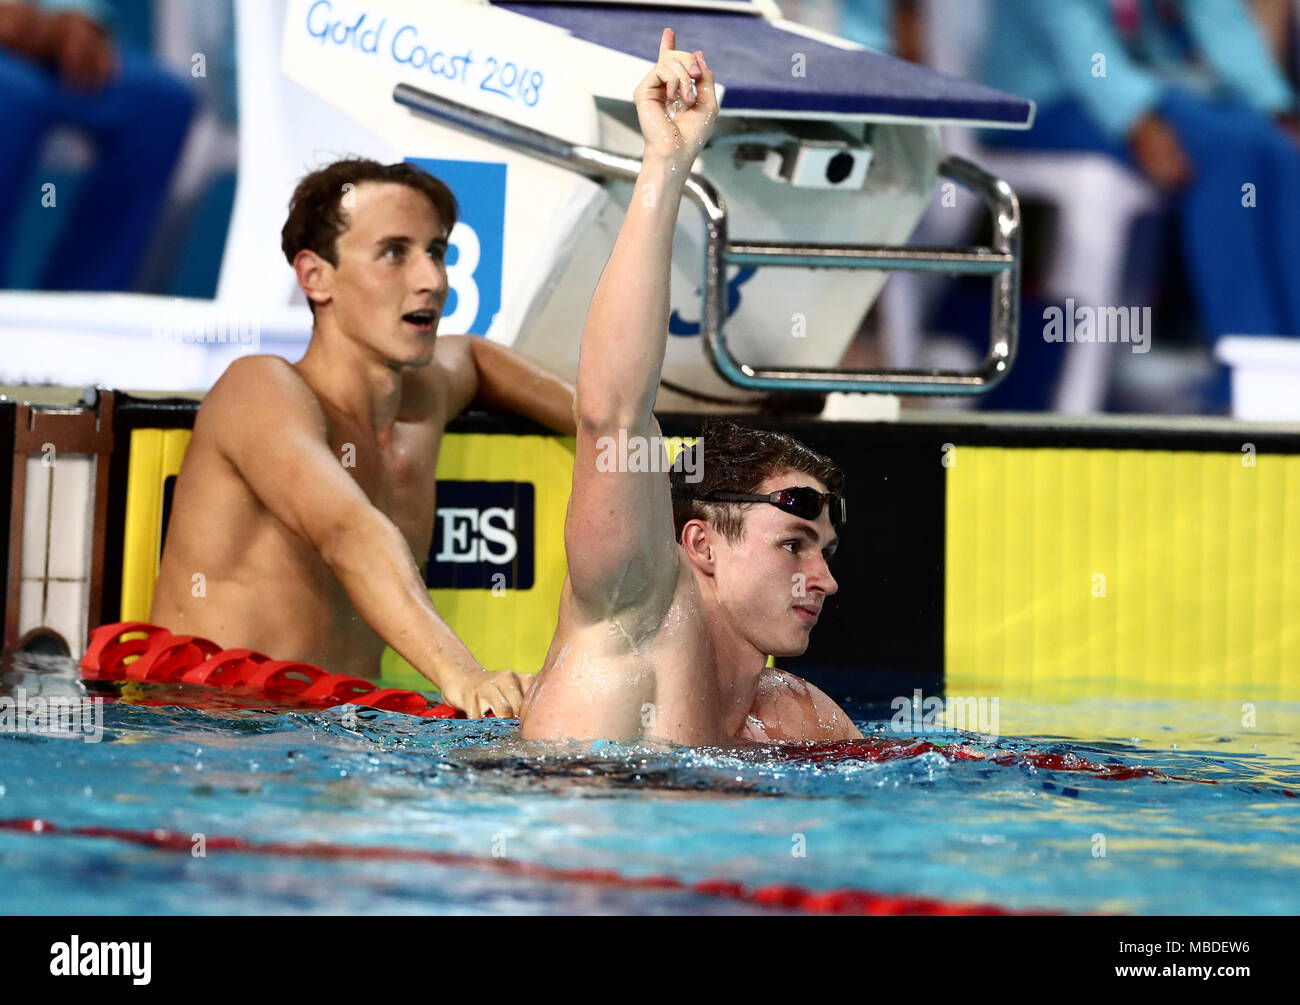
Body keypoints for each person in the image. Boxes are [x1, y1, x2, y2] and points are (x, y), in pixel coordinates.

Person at [520, 31, 860, 745]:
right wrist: (666, 164)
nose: (823, 579)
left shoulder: (797, 717)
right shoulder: (640, 612)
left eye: (823, 551)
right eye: (795, 545)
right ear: (700, 544)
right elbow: (612, 415)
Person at [151, 158, 577, 718]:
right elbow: (349, 532)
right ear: (315, 277)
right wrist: (465, 675)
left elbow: (490, 363)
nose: (432, 280)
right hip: (208, 727)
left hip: (344, 730)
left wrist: (636, 433)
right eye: (394, 253)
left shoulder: (429, 395)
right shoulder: (258, 391)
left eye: (437, 251)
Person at [0, 0, 195, 290]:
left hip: (28, 34)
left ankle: (75, 314)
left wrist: (74, 13)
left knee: (159, 104)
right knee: (13, 97)